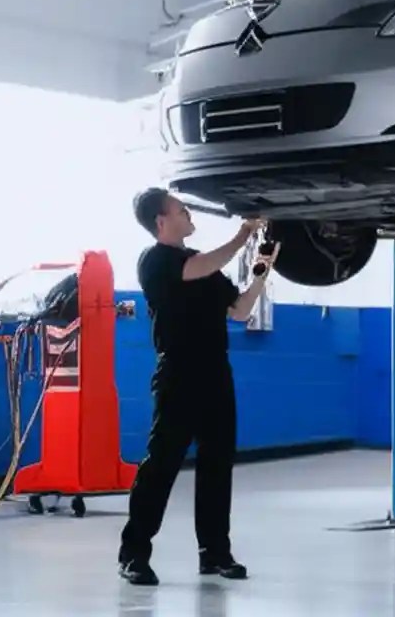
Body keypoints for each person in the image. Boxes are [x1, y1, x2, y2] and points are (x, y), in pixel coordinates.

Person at [118, 187, 279, 586]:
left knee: (217, 464)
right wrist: (242, 236)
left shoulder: (204, 266)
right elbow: (196, 268)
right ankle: (133, 554)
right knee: (162, 464)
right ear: (161, 221)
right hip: (178, 373)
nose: (188, 213)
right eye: (180, 209)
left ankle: (215, 553)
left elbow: (239, 311)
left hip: (215, 372)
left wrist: (262, 270)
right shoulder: (155, 260)